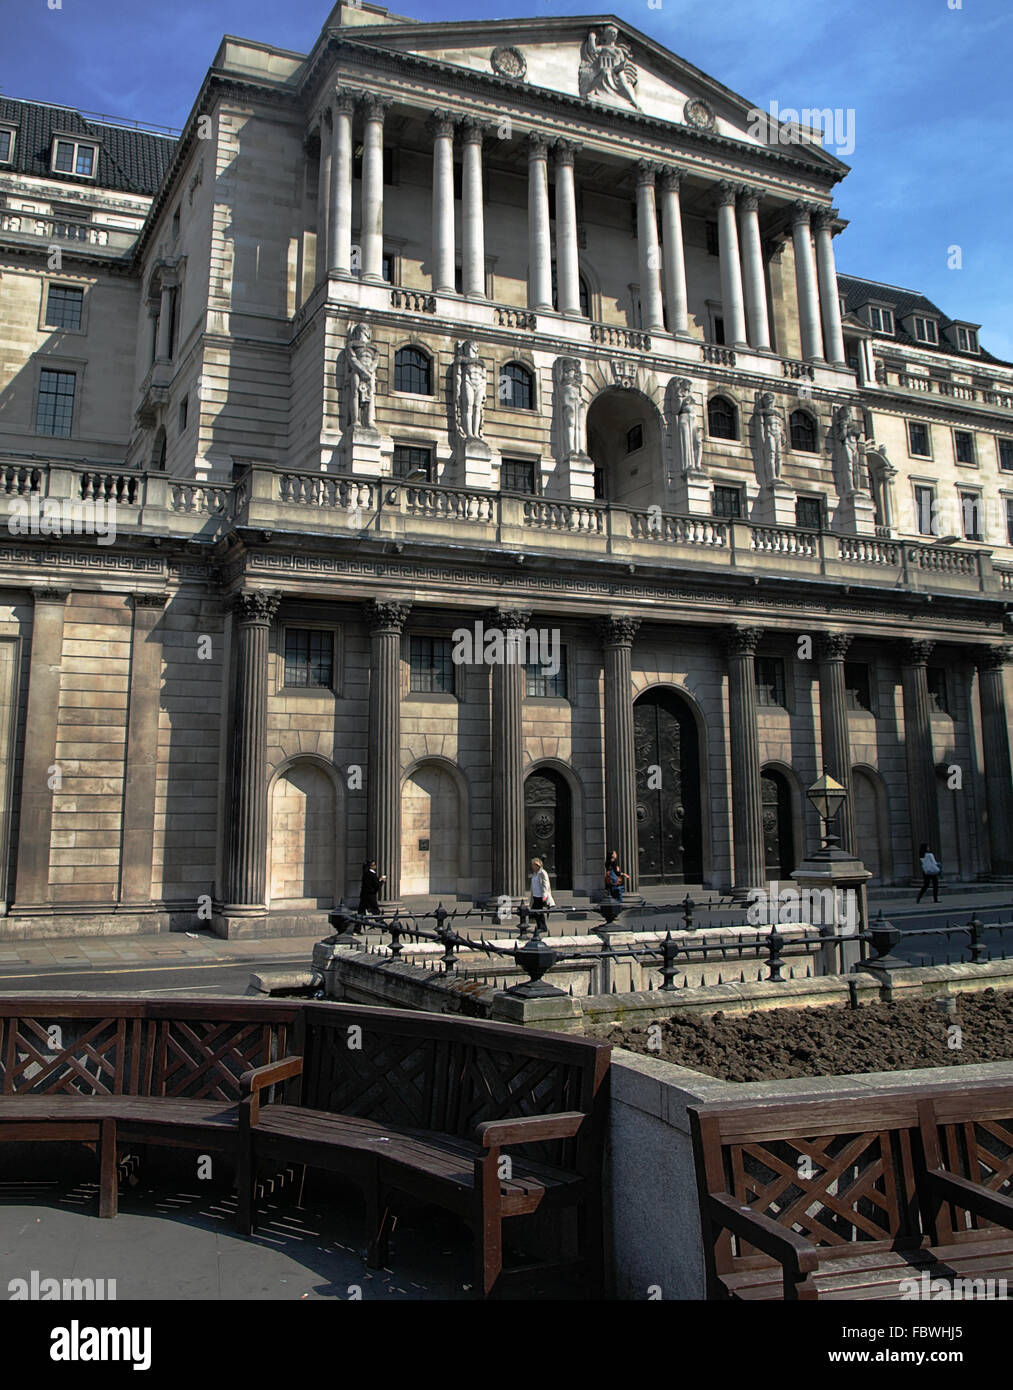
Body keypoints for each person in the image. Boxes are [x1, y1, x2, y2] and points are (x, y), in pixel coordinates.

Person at [529, 857, 555, 933]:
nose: (532, 867)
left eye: (534, 865)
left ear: (537, 865)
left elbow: (545, 884)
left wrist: (544, 896)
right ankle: (540, 926)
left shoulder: (542, 872)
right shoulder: (535, 874)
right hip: (535, 896)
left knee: (538, 912)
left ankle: (543, 927)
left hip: (541, 896)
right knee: (536, 912)